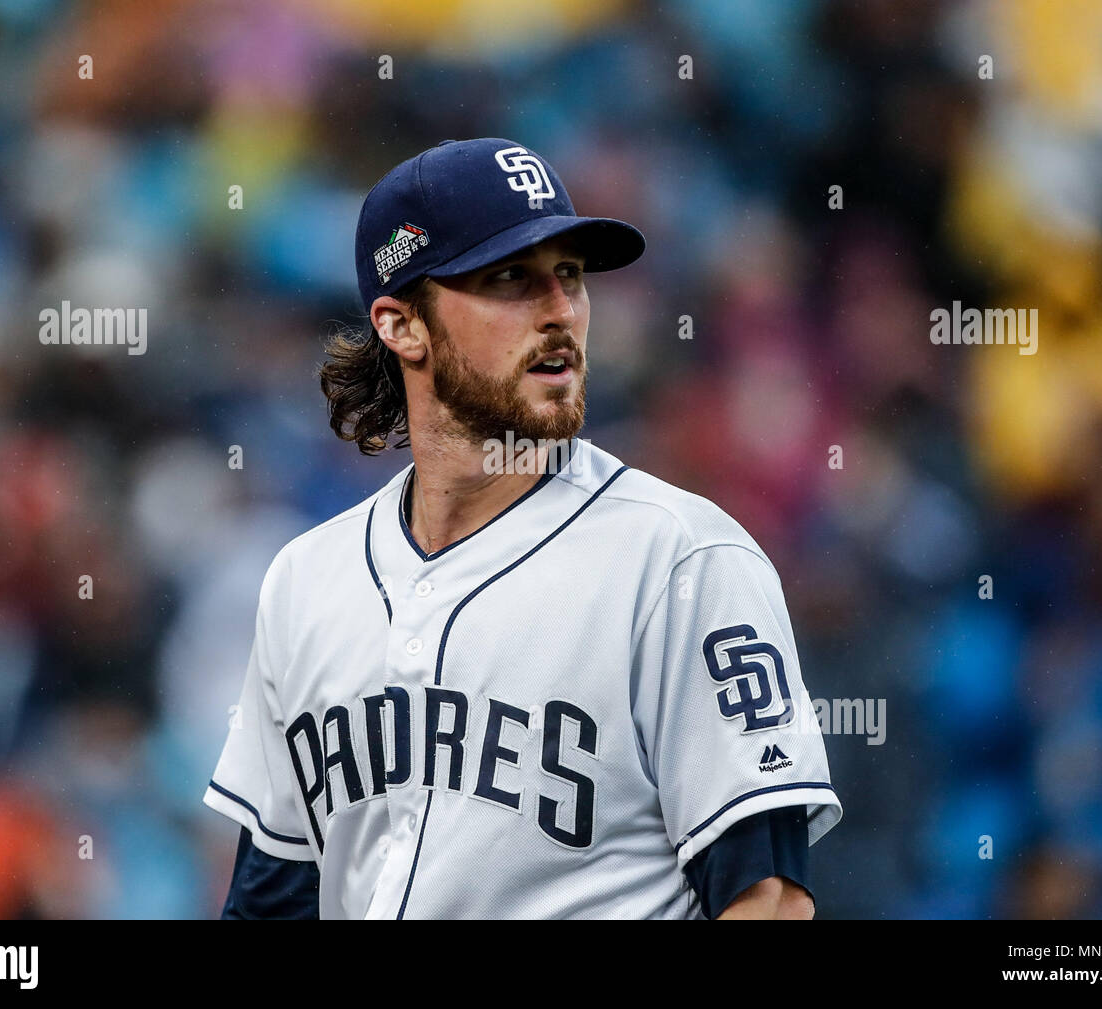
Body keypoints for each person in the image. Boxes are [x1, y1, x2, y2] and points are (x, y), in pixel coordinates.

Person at [205, 138, 841, 919]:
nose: (559, 312)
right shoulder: (306, 581)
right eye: (510, 278)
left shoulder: (681, 561)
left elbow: (769, 900)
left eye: (569, 275)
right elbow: (272, 902)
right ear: (402, 324)